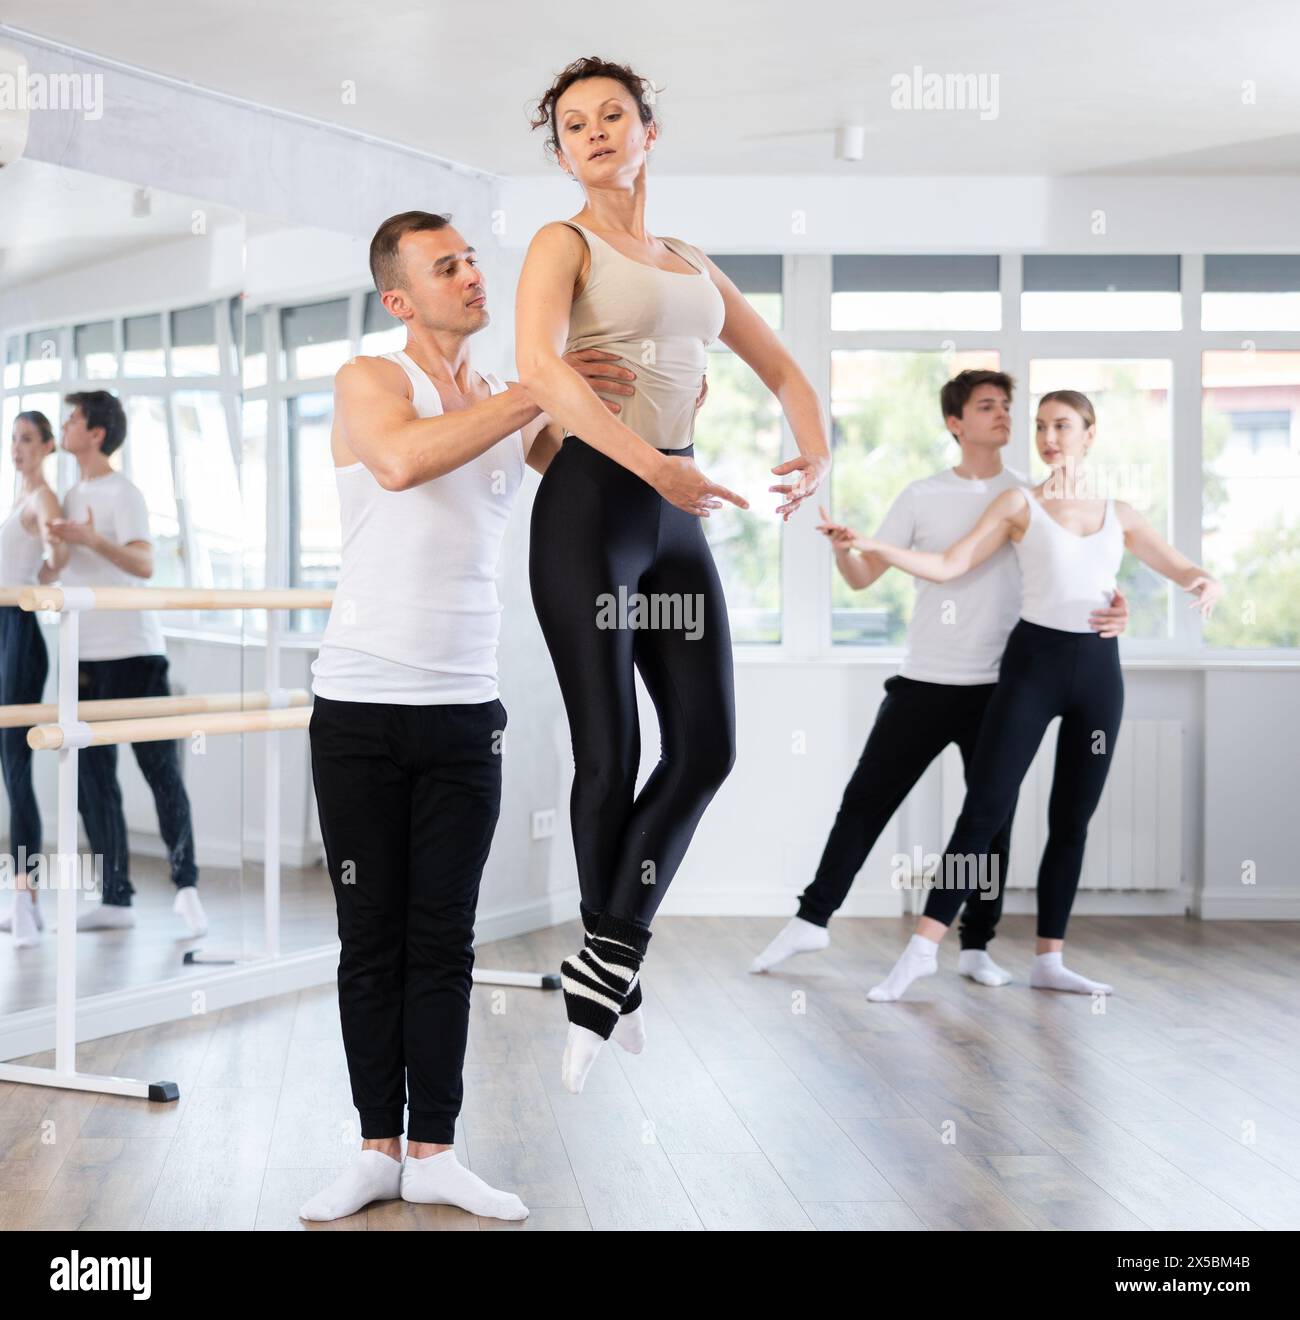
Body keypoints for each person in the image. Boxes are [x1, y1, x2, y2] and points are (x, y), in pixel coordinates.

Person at [300, 209, 661, 1223]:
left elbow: (610, 459)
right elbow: (404, 462)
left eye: (470, 258)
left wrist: (658, 394)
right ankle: (373, 1149)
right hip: (361, 710)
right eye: (444, 266)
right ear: (399, 298)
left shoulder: (511, 403)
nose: (471, 274)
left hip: (466, 717)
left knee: (445, 937)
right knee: (371, 936)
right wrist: (540, 390)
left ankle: (435, 1151)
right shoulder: (373, 381)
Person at [516, 55, 831, 1093]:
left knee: (706, 749)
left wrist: (813, 452)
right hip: (593, 510)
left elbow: (782, 368)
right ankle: (611, 971)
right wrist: (653, 461)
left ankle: (603, 963)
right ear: (560, 150)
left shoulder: (692, 261)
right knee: (610, 754)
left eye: (614, 115)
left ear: (650, 131)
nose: (596, 131)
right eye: (574, 124)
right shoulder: (560, 243)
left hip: (676, 516)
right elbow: (543, 370)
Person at [749, 370, 1131, 985]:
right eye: (988, 407)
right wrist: (848, 546)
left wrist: (1117, 607)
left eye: (1010, 407)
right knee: (865, 801)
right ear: (956, 423)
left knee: (990, 822)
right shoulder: (922, 495)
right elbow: (862, 578)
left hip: (1001, 685)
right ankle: (811, 920)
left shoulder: (1031, 494)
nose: (1005, 416)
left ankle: (977, 944)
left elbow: (1082, 570)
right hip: (926, 679)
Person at [851, 389, 1221, 999]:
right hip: (1032, 668)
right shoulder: (1018, 502)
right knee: (985, 810)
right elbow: (948, 564)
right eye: (1042, 426)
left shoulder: (1121, 512)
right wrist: (875, 547)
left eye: (1063, 426)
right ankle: (922, 949)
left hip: (1099, 674)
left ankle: (1050, 959)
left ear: (1089, 434)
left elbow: (1180, 566)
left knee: (1071, 819)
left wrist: (1205, 581)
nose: (1050, 437)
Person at [42, 392, 205, 935]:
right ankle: (116, 898)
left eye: (72, 419)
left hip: (134, 655)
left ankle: (187, 889)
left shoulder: (124, 491)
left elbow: (144, 563)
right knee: (92, 779)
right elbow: (64, 570)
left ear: (96, 432)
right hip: (83, 658)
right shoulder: (69, 491)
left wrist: (93, 537)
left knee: (160, 772)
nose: (64, 426)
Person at [0, 411, 61, 947]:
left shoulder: (42, 496)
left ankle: (26, 895)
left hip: (18, 632)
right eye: (13, 438)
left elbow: (56, 550)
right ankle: (25, 896)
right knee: (8, 764)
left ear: (46, 446)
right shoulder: (18, 497)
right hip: (2, 628)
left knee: (16, 764)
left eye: (26, 439)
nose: (16, 447)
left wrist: (55, 553)